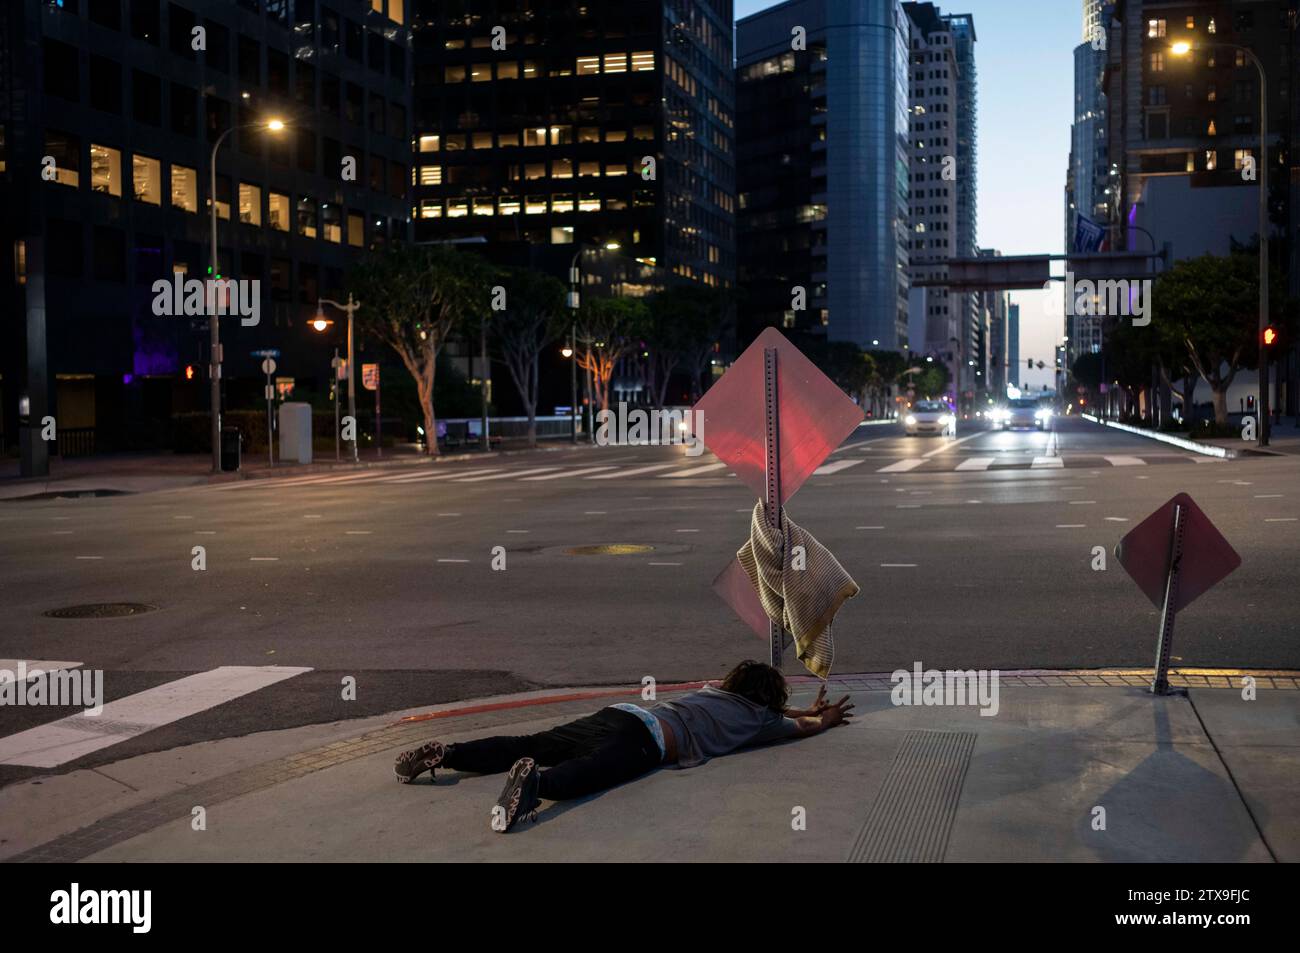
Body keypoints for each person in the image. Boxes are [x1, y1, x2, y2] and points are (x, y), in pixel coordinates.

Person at [393, 660, 855, 833]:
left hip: (621, 714)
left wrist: (797, 712)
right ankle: (534, 785)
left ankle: (448, 754)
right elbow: (798, 728)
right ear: (768, 702)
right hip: (646, 741)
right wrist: (825, 719)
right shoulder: (761, 720)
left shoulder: (714, 693)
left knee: (530, 741)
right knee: (595, 772)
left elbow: (778, 716)